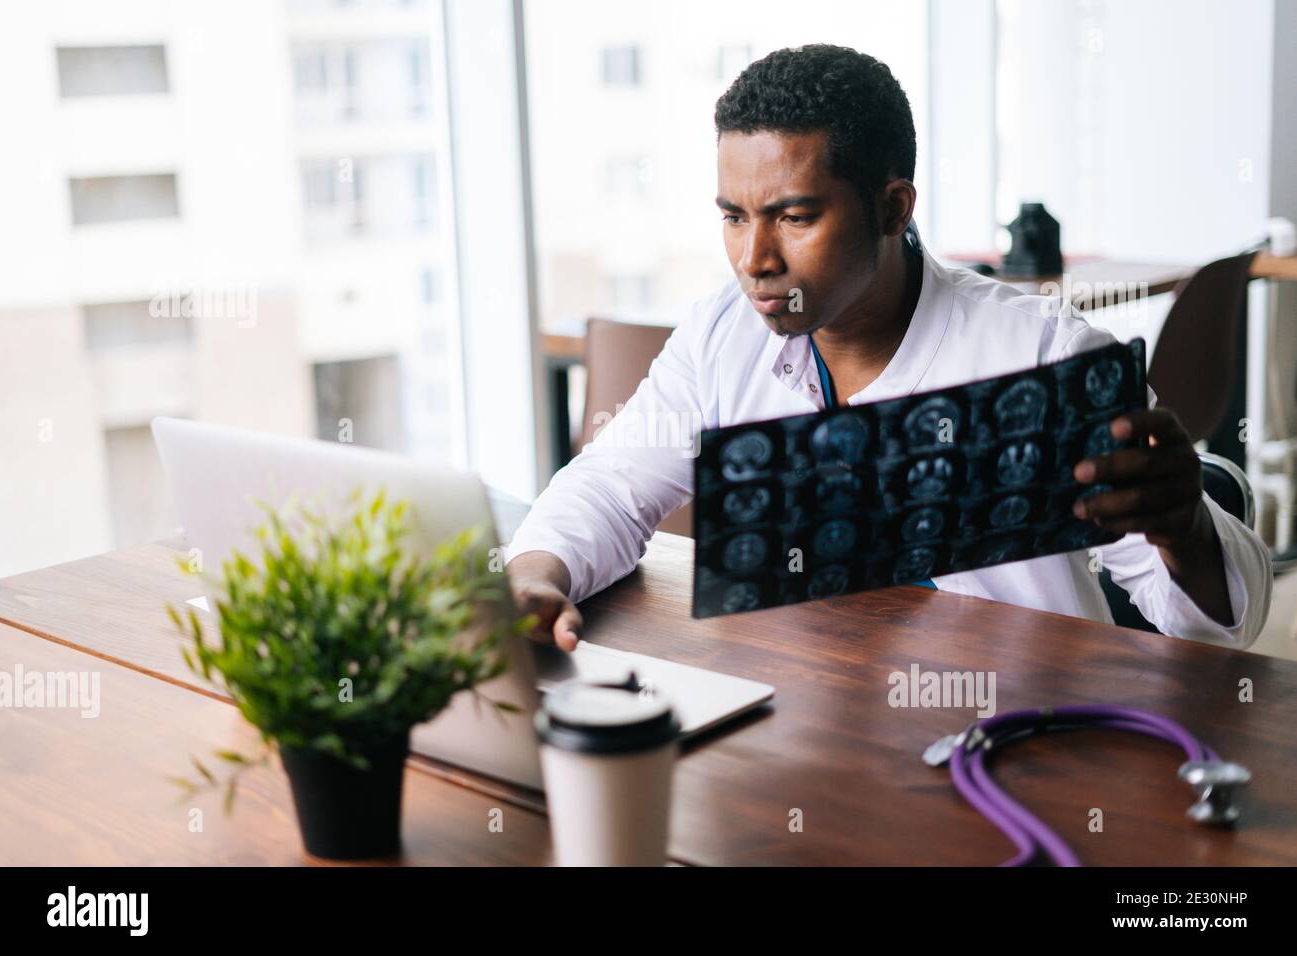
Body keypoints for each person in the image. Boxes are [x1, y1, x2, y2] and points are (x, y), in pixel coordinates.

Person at [505, 44, 1272, 652]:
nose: (753, 259)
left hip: (1023, 737)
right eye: (734, 216)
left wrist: (1187, 530)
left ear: (891, 206)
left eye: (793, 217)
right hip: (811, 722)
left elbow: (1222, 627)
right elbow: (610, 487)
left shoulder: (1045, 355)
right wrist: (538, 575)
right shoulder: (719, 334)